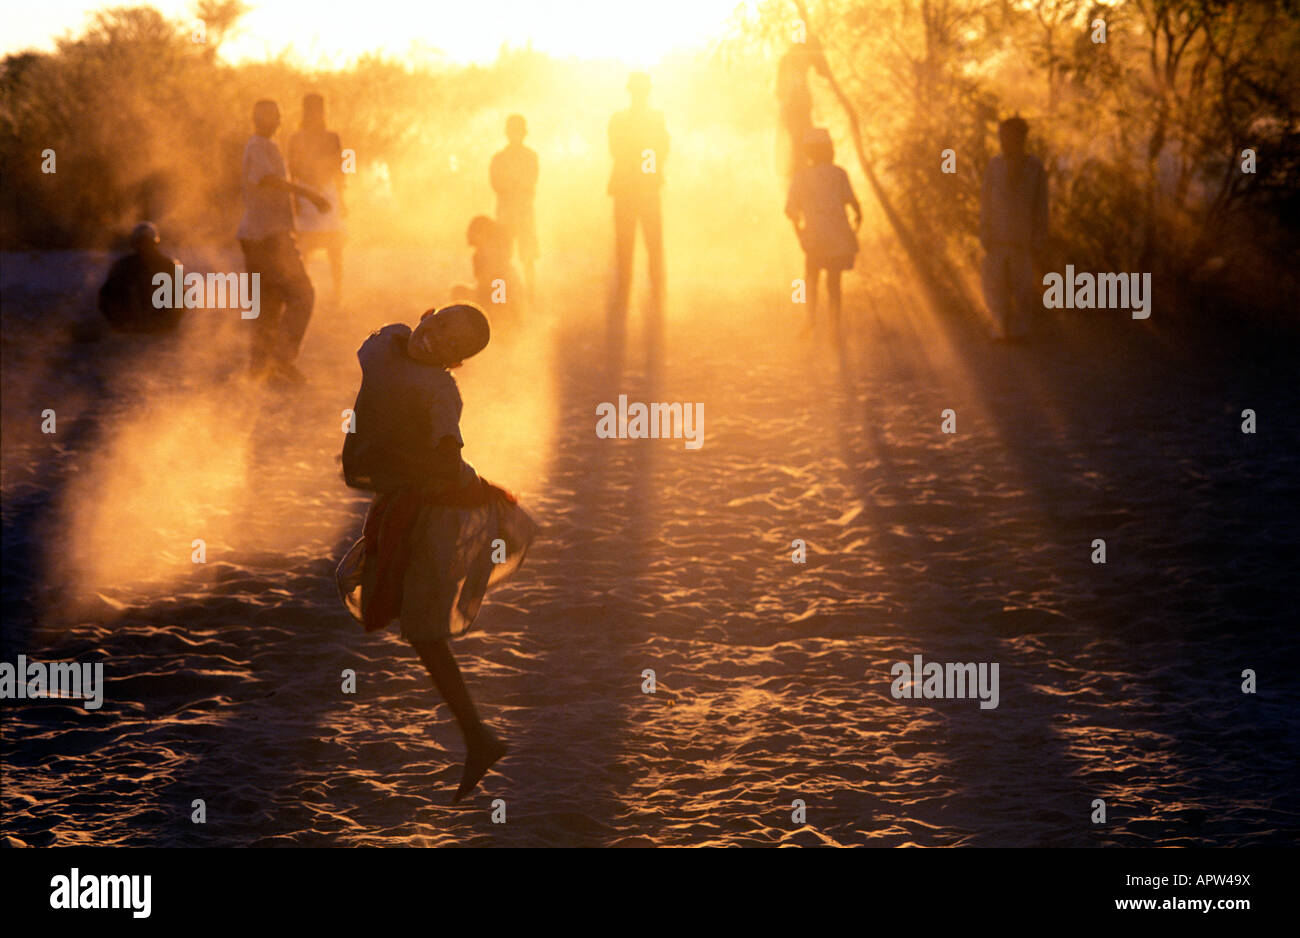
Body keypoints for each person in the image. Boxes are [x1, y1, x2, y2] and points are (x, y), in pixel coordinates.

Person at [336, 304, 537, 803]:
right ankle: (478, 737)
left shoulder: (440, 392)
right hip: (409, 499)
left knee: (423, 628)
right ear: (426, 313)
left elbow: (446, 464)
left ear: (458, 363)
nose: (438, 339)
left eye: (453, 345)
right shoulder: (386, 343)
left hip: (442, 510)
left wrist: (390, 460)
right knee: (413, 622)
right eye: (441, 324)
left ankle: (479, 737)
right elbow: (378, 351)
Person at [237, 98, 330, 384]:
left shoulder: (268, 145)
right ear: (257, 118)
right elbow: (267, 180)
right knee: (302, 295)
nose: (276, 121)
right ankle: (279, 360)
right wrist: (307, 193)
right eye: (269, 116)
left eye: (277, 116)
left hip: (263, 235)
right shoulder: (257, 146)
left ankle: (260, 366)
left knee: (269, 302)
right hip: (268, 238)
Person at [607, 72, 669, 351]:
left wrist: (642, 167)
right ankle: (630, 298)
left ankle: (652, 297)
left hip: (636, 188)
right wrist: (645, 167)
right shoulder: (630, 120)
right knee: (629, 246)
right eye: (638, 90)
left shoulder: (641, 120)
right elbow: (653, 149)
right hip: (635, 188)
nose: (640, 94)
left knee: (650, 245)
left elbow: (659, 149)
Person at [979, 115, 1049, 341]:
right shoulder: (994, 165)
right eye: (1001, 136)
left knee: (1022, 288)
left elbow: (1041, 206)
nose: (1004, 140)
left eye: (1009, 136)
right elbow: (986, 202)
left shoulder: (1035, 167)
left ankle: (1021, 330)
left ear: (1022, 138)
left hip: (1022, 239)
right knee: (995, 287)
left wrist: (1039, 239)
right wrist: (984, 232)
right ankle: (999, 327)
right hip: (997, 237)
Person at [785, 128, 861, 330]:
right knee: (834, 282)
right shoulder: (839, 174)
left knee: (811, 278)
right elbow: (855, 205)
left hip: (815, 238)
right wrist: (855, 225)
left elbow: (791, 210)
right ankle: (833, 325)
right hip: (837, 238)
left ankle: (810, 321)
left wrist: (799, 232)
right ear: (829, 150)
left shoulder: (801, 177)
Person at [289, 93, 346, 304]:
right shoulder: (297, 138)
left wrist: (342, 195)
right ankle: (305, 292)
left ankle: (337, 292)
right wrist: (295, 198)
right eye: (311, 109)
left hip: (328, 192)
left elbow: (343, 166)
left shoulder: (332, 137)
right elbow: (292, 169)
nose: (315, 114)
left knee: (334, 245)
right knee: (305, 247)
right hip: (305, 192)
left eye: (319, 109)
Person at [97, 222, 183, 334]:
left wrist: (166, 322)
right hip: (129, 328)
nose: (144, 246)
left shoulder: (168, 266)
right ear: (135, 244)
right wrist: (120, 322)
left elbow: (180, 298)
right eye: (141, 242)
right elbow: (107, 297)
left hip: (159, 329)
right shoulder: (123, 266)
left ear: (154, 243)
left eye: (147, 242)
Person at [489, 114, 539, 300]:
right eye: (513, 131)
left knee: (528, 258)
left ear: (523, 134)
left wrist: (511, 183)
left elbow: (531, 181)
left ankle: (530, 294)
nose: (515, 135)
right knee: (501, 258)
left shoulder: (531, 157)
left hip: (524, 212)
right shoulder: (499, 158)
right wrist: (516, 184)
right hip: (506, 213)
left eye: (518, 131)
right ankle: (500, 296)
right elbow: (496, 184)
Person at [775, 40, 829, 180]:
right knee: (801, 139)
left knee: (800, 139)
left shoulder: (789, 58)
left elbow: (779, 91)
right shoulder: (800, 55)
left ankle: (802, 170)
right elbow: (823, 71)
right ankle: (802, 171)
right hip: (796, 105)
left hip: (795, 105)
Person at [453, 216, 524, 320]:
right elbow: (482, 285)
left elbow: (498, 290)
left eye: (474, 232)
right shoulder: (478, 256)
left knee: (497, 293)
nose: (469, 235)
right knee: (457, 291)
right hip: (488, 297)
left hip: (504, 307)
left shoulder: (498, 260)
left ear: (483, 234)